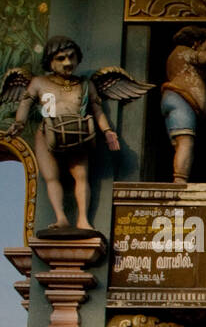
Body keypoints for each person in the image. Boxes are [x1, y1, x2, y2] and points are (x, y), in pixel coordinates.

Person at [3, 37, 119, 231]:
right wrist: (19, 123)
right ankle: (61, 218)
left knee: (81, 175)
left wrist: (107, 131)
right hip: (48, 133)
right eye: (61, 58)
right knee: (51, 177)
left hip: (78, 133)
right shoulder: (39, 83)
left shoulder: (84, 84)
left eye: (72, 57)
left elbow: (97, 110)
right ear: (50, 61)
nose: (68, 63)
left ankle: (83, 219)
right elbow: (25, 104)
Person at [162, 23, 206, 183]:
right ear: (195, 42)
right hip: (181, 100)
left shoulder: (176, 56)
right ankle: (180, 180)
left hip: (176, 100)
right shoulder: (184, 52)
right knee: (185, 142)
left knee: (181, 143)